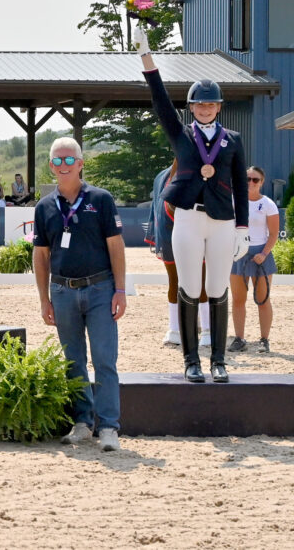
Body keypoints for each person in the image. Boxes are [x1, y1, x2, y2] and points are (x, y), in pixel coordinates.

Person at [137, 27, 249, 383]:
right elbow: (159, 100)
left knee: (217, 287)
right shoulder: (180, 134)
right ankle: (190, 361)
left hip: (221, 221)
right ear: (192, 107)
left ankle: (218, 359)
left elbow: (240, 188)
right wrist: (147, 59)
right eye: (199, 103)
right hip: (186, 218)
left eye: (211, 103)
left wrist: (243, 227)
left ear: (219, 106)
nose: (205, 108)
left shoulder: (233, 140)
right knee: (188, 286)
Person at [33, 137, 125, 452]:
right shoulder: (44, 207)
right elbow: (41, 255)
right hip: (62, 292)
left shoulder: (101, 200)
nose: (63, 166)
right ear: (50, 166)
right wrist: (44, 299)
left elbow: (116, 246)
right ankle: (83, 423)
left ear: (81, 163)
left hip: (100, 289)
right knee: (73, 362)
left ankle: (109, 427)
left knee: (104, 359)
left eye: (69, 160)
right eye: (57, 161)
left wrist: (121, 290)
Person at [145, 161, 211, 348]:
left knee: (203, 280)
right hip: (169, 225)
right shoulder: (163, 177)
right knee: (174, 280)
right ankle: (174, 329)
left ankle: (207, 329)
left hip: (199, 220)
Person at [229, 166, 279, 354]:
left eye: (255, 180)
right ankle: (239, 338)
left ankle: (264, 340)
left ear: (262, 182)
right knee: (238, 300)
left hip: (261, 255)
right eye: (248, 179)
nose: (250, 183)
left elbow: (273, 234)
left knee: (262, 299)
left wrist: (264, 254)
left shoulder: (268, 204)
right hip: (238, 254)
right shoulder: (234, 202)